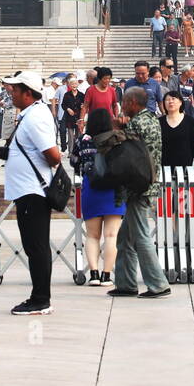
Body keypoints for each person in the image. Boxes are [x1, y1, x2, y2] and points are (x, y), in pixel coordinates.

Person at [2, 71, 64, 316]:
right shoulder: (30, 115)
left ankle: (41, 299)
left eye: (16, 90)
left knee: (36, 246)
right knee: (33, 246)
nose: (12, 93)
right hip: (27, 191)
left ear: (29, 93)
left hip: (34, 191)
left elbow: (54, 155)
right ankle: (39, 296)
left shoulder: (35, 117)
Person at [105, 87, 170, 298]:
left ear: (133, 102)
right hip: (147, 183)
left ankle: (158, 284)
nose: (122, 106)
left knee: (141, 236)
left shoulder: (136, 123)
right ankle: (125, 283)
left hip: (137, 187)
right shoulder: (151, 119)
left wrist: (115, 128)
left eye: (124, 102)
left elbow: (122, 151)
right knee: (125, 237)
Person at [71, 107, 123, 287]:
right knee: (111, 236)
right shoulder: (116, 138)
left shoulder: (83, 140)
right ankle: (106, 276)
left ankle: (93, 273)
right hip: (114, 189)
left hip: (91, 188)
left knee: (92, 236)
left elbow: (73, 161)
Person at [159, 90, 194, 169]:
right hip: (164, 165)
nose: (170, 102)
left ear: (181, 102)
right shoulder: (159, 122)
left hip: (185, 164)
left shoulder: (189, 120)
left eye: (173, 99)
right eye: (167, 100)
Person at [80, 66, 119, 134]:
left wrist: (116, 118)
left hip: (108, 124)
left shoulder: (111, 90)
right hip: (94, 123)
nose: (107, 81)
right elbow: (85, 106)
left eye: (109, 79)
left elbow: (115, 106)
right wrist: (81, 120)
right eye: (105, 79)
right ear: (99, 79)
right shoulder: (91, 90)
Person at [59, 77, 84, 152]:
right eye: (72, 84)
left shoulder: (81, 95)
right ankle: (70, 151)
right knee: (70, 135)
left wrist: (83, 106)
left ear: (78, 84)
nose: (74, 85)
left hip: (79, 117)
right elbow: (63, 105)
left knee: (78, 135)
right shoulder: (67, 95)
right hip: (70, 117)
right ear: (69, 85)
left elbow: (85, 105)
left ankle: (78, 151)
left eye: (75, 84)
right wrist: (68, 109)